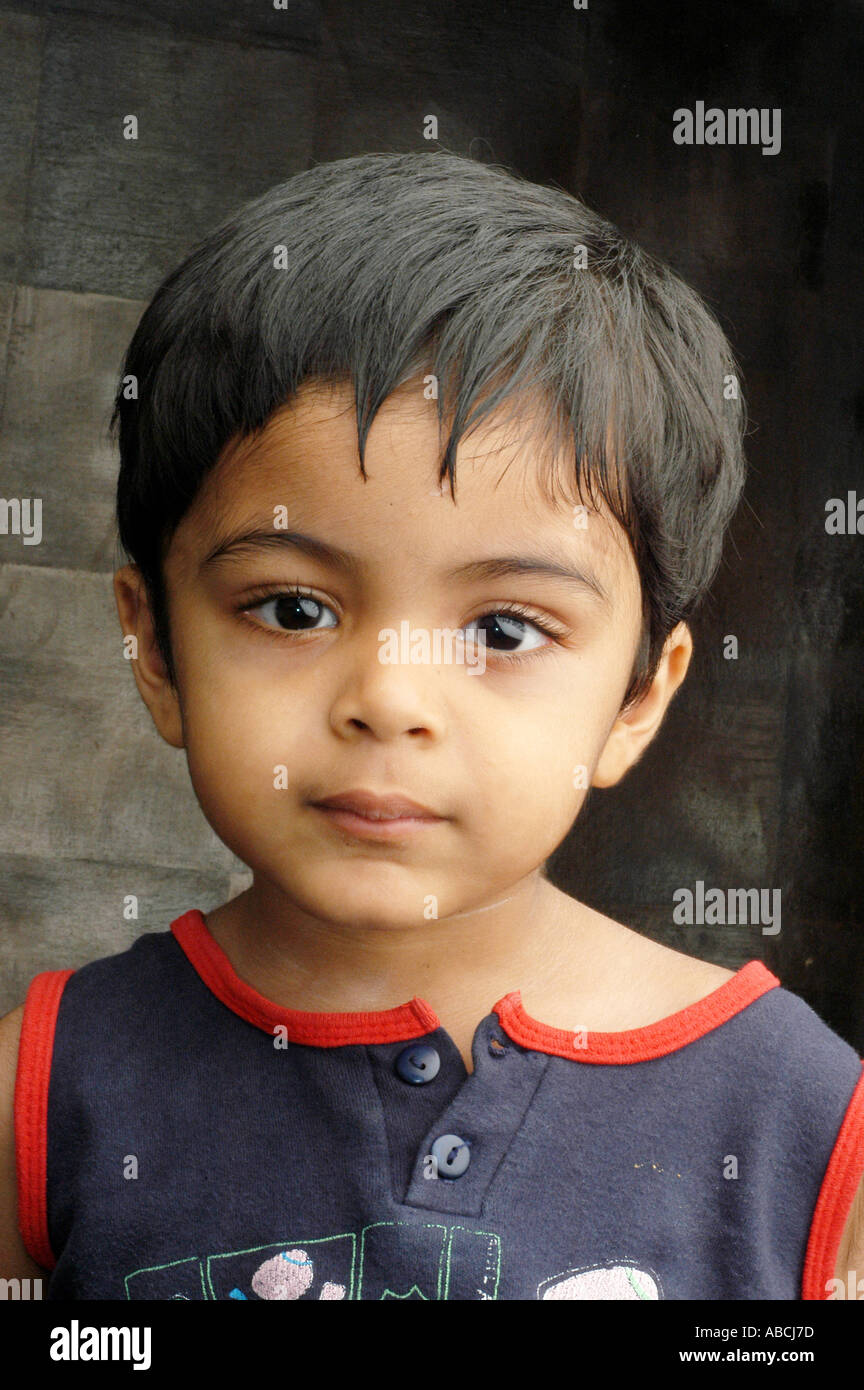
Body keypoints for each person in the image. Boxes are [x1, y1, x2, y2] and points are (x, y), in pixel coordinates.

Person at [1, 151, 862, 1301]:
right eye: (294, 608)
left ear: (637, 700)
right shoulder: (44, 1090)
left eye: (505, 630)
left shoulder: (805, 1124)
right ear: (155, 647)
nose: (393, 698)